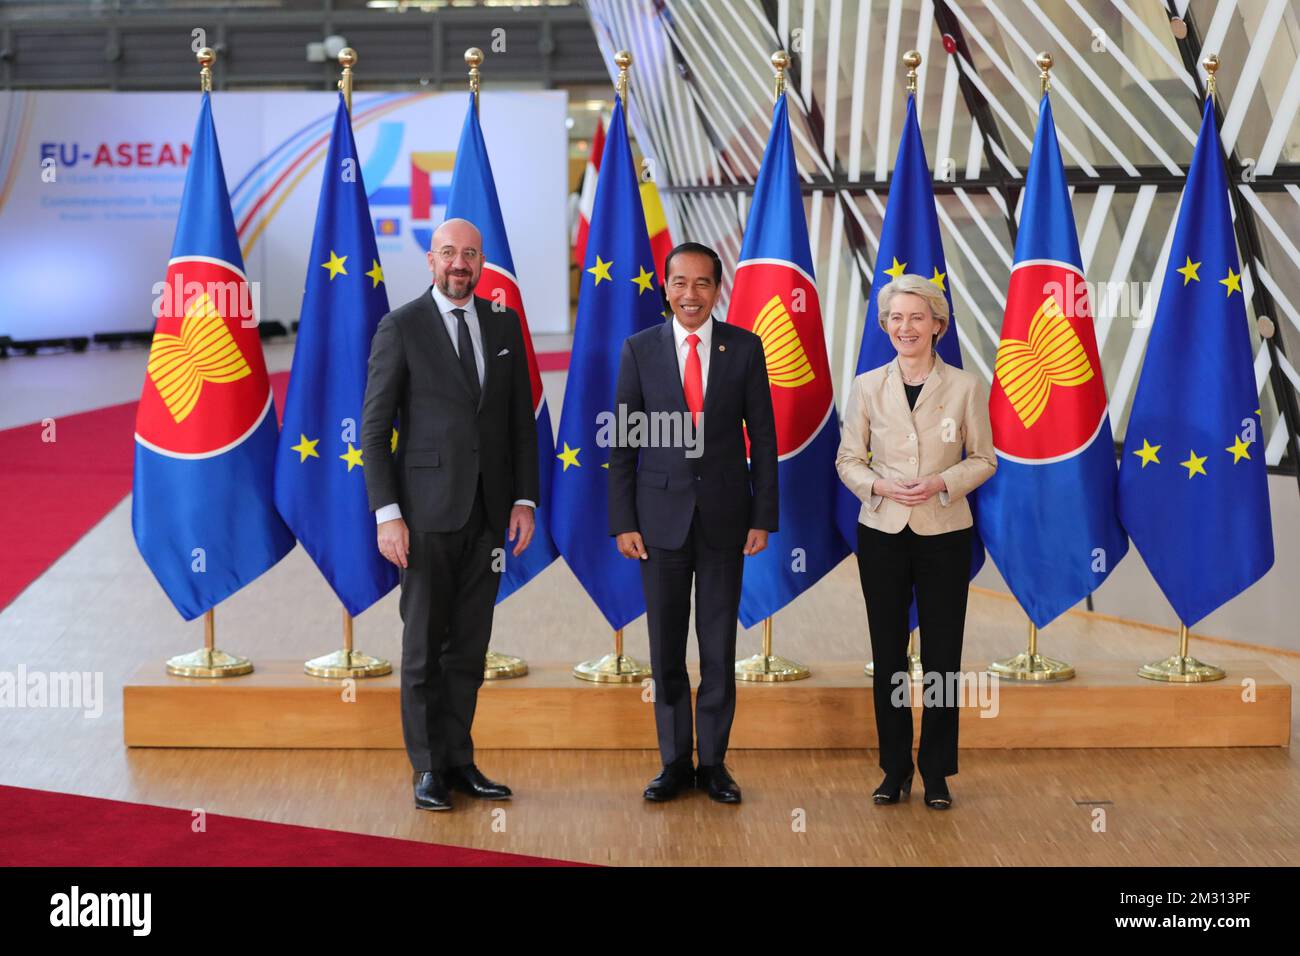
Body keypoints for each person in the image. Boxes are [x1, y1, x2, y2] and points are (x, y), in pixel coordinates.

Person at [360, 217, 538, 812]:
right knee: (422, 649)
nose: (460, 263)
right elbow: (376, 428)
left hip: (489, 514)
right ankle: (428, 768)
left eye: (470, 253)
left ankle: (460, 760)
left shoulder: (504, 322)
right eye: (448, 253)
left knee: (468, 646)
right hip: (425, 516)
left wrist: (523, 499)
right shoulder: (401, 326)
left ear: (481, 261)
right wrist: (388, 515)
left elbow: (519, 423)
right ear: (431, 260)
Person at [608, 241, 778, 804]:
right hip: (658, 524)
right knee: (665, 649)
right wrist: (623, 520)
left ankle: (716, 766)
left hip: (727, 521)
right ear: (667, 287)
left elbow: (765, 441)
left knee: (718, 650)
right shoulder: (640, 349)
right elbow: (626, 442)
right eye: (680, 282)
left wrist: (763, 515)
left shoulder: (745, 349)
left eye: (702, 283)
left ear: (716, 289)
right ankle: (676, 762)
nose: (690, 294)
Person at [835, 273, 996, 810]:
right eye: (896, 318)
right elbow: (847, 460)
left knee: (943, 656)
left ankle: (937, 771)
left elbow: (984, 459)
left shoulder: (968, 387)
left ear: (937, 326)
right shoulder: (865, 385)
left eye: (916, 317)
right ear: (885, 326)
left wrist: (943, 483)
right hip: (881, 530)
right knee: (888, 656)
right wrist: (877, 484)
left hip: (944, 533)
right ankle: (895, 768)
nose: (906, 327)